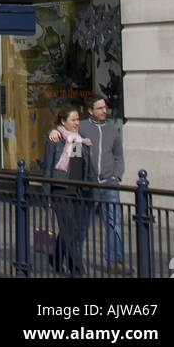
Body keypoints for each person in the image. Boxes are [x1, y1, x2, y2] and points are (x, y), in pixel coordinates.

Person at [49, 92, 125, 273]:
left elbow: (118, 155)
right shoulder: (79, 128)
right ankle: (72, 260)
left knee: (114, 223)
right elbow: (64, 135)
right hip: (85, 185)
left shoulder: (112, 129)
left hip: (108, 182)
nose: (104, 111)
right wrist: (53, 131)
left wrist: (116, 175)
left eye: (105, 107)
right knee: (79, 226)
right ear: (90, 111)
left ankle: (113, 260)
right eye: (100, 108)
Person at [42, 105, 92, 276]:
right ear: (63, 121)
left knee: (72, 230)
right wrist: (46, 195)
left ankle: (55, 259)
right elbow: (48, 168)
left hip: (76, 191)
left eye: (78, 119)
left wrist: (87, 188)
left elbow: (77, 168)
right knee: (69, 230)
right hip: (60, 190)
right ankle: (77, 269)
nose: (77, 123)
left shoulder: (77, 141)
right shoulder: (54, 140)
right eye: (73, 120)